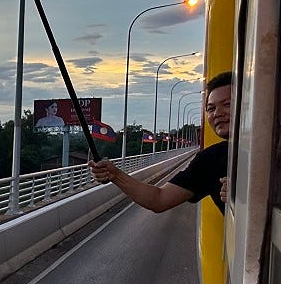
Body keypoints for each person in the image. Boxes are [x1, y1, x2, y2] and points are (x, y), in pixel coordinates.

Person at [89, 71, 232, 213]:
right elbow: (159, 199)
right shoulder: (211, 159)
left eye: (227, 104)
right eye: (211, 108)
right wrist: (116, 175)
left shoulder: (253, 153)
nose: (217, 113)